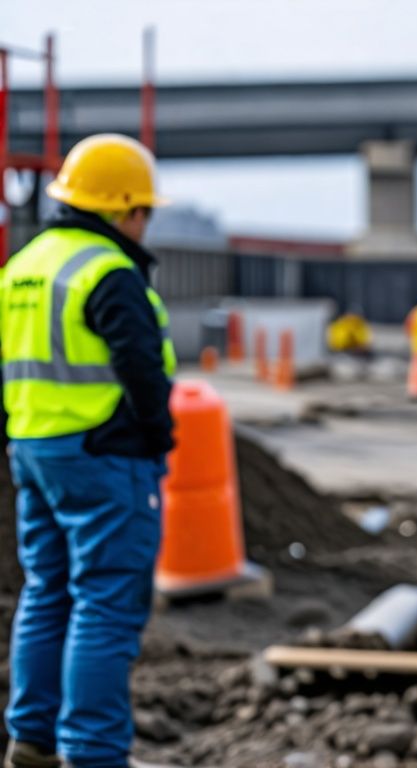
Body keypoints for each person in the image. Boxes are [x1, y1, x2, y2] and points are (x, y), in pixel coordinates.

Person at [1, 134, 176, 768]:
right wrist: (158, 438)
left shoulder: (23, 266)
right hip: (106, 454)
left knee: (47, 592)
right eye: (143, 210)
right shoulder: (107, 270)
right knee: (106, 603)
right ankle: (94, 754)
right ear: (125, 208)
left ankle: (33, 741)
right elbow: (142, 366)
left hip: (34, 450)